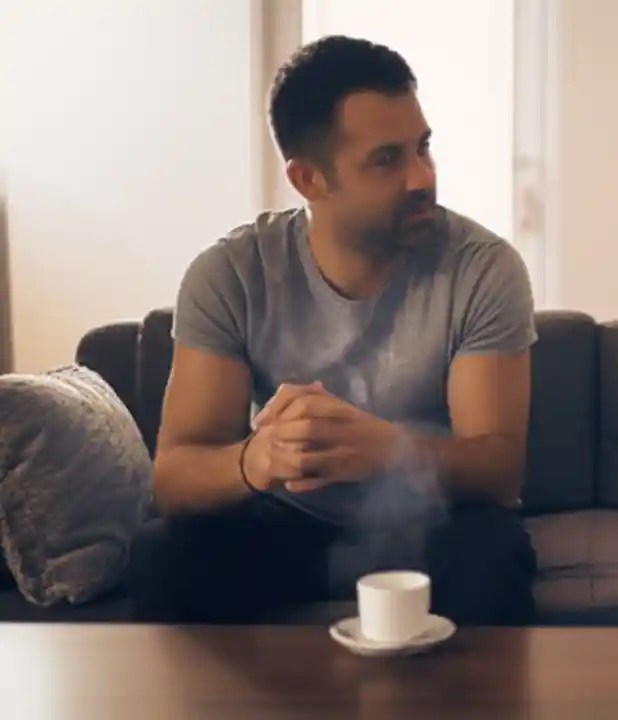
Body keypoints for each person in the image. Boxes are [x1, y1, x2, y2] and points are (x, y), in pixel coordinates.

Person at [128, 36, 537, 625]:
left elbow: (499, 471)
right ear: (308, 180)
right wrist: (258, 458)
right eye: (387, 159)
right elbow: (173, 477)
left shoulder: (482, 268)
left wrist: (387, 450)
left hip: (431, 525)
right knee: (162, 557)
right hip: (284, 522)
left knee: (491, 552)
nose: (422, 177)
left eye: (423, 148)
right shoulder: (232, 274)